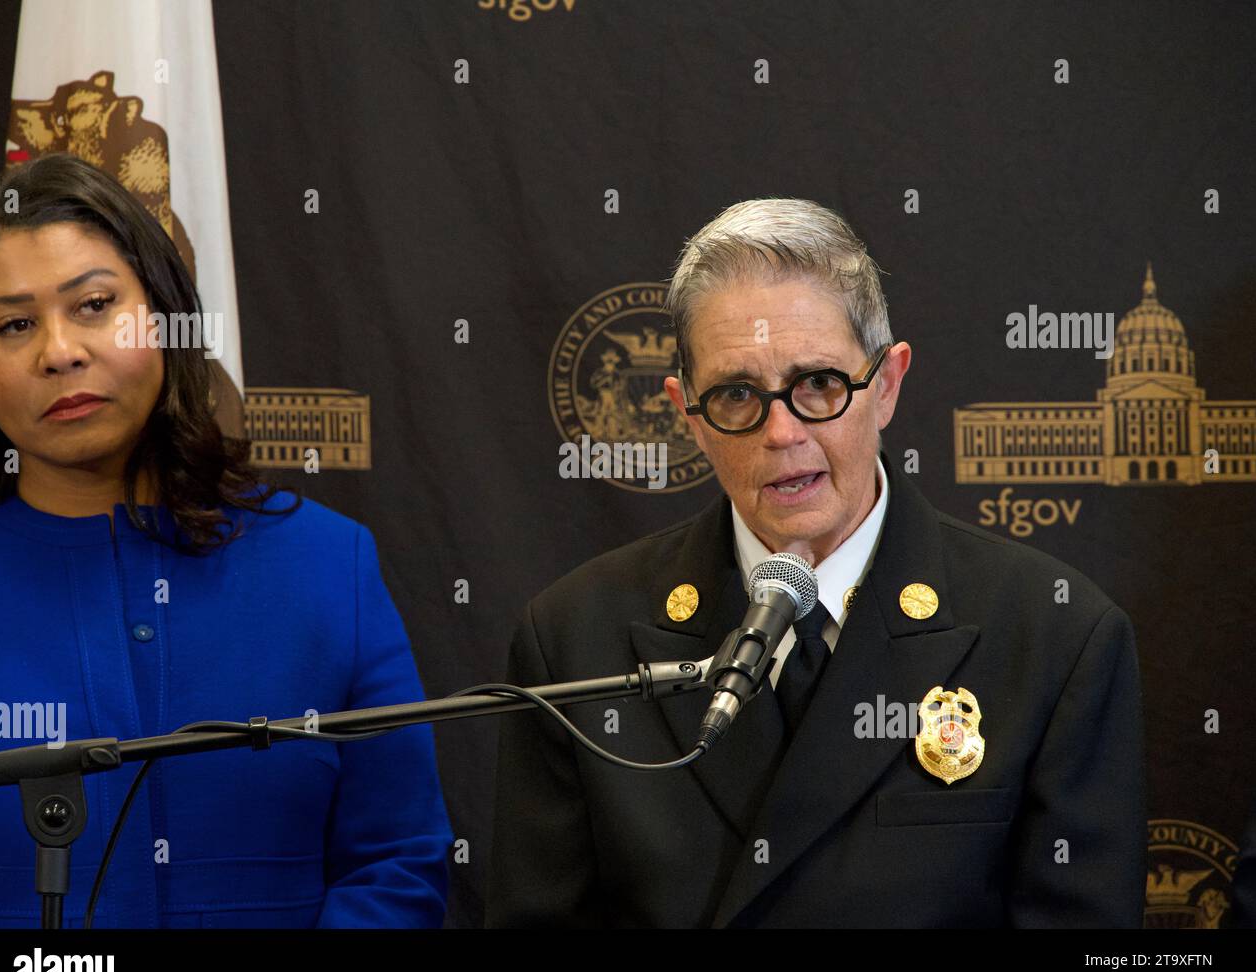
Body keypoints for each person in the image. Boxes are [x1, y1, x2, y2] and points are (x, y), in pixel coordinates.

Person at [488, 198, 1146, 928]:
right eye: (738, 394)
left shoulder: (1054, 638)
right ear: (688, 415)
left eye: (820, 385)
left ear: (887, 385)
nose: (782, 432)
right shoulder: (575, 638)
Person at [0, 153, 452, 928]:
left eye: (93, 305)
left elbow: (397, 865)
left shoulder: (326, 566)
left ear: (165, 315)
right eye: (14, 324)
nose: (58, 351)